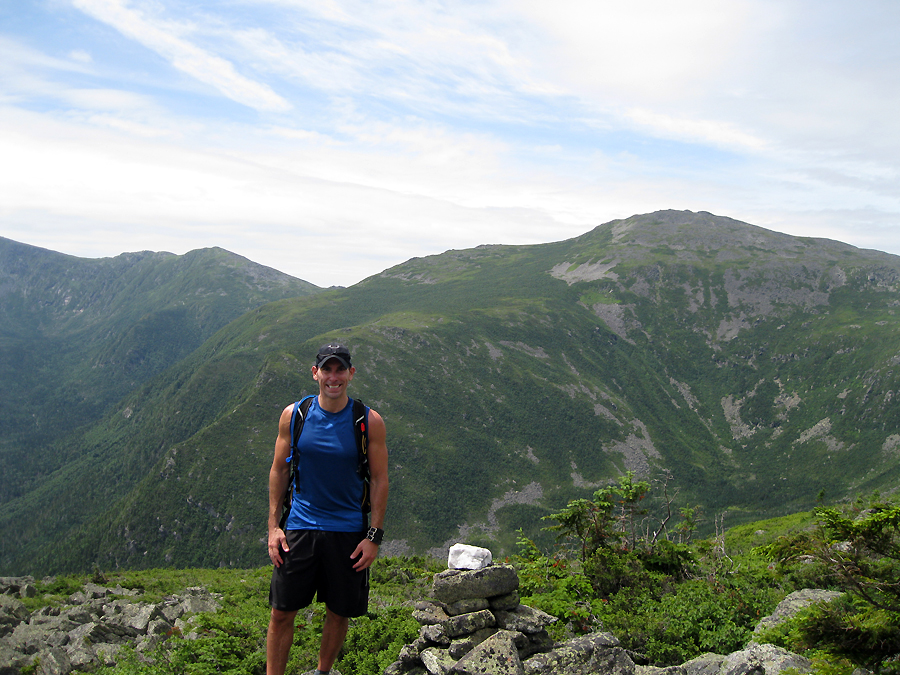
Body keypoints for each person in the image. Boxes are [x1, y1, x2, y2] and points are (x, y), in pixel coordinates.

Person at [266, 343, 389, 675]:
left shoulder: (368, 421)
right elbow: (278, 470)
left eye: (340, 369)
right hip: (300, 527)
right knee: (281, 611)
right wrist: (274, 527)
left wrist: (373, 536)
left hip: (348, 531)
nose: (333, 377)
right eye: (327, 369)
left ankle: (323, 672)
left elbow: (379, 479)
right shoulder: (295, 416)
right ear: (315, 373)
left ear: (351, 373)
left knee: (339, 611)